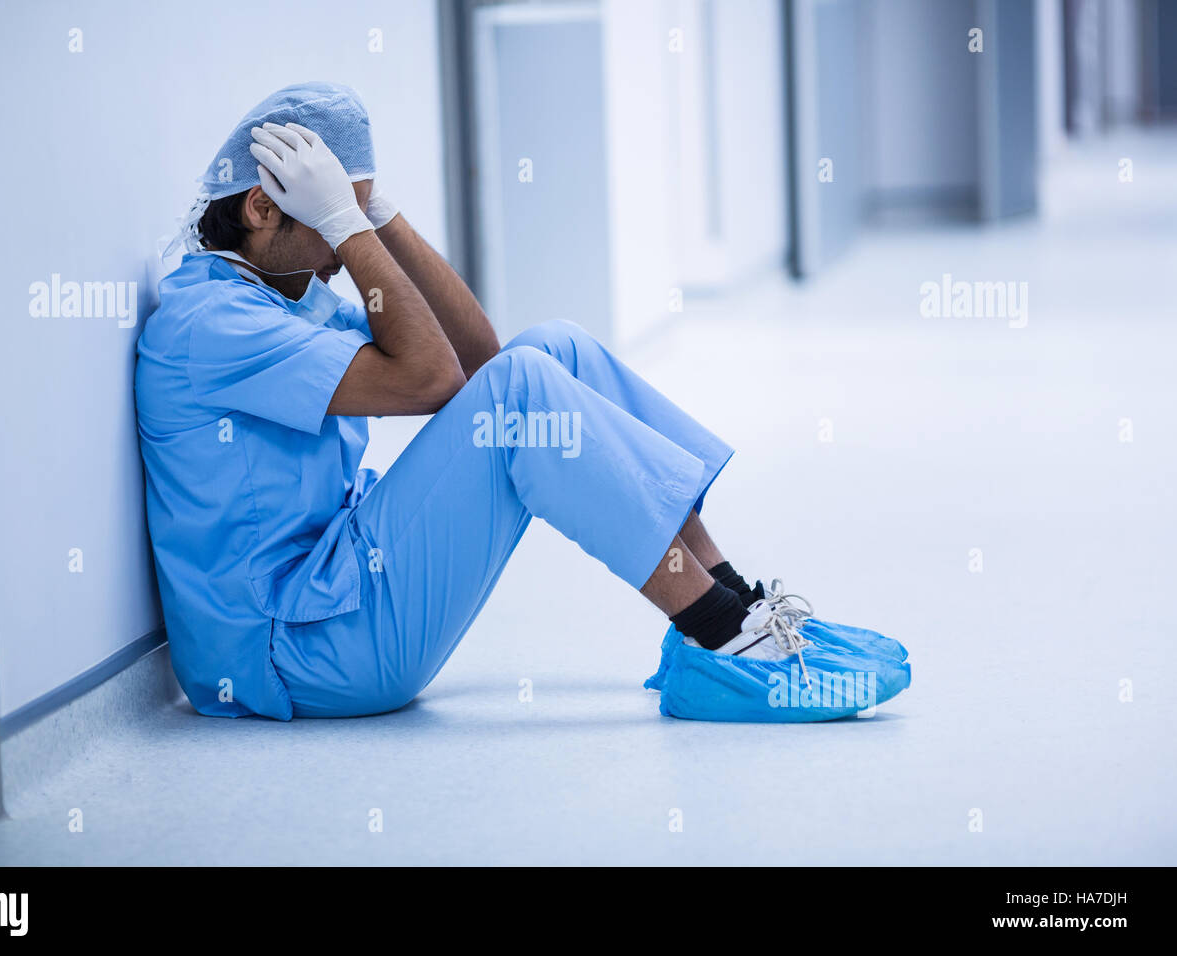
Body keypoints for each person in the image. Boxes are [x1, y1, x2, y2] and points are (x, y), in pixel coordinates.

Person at [135, 82, 909, 722]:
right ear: (261, 208)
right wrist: (348, 226)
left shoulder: (284, 298)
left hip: (336, 592)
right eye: (333, 224)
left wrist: (373, 214)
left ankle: (729, 604)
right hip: (294, 654)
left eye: (350, 220)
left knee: (554, 348)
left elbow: (478, 357)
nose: (343, 252)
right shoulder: (213, 324)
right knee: (523, 392)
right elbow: (433, 381)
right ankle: (721, 637)